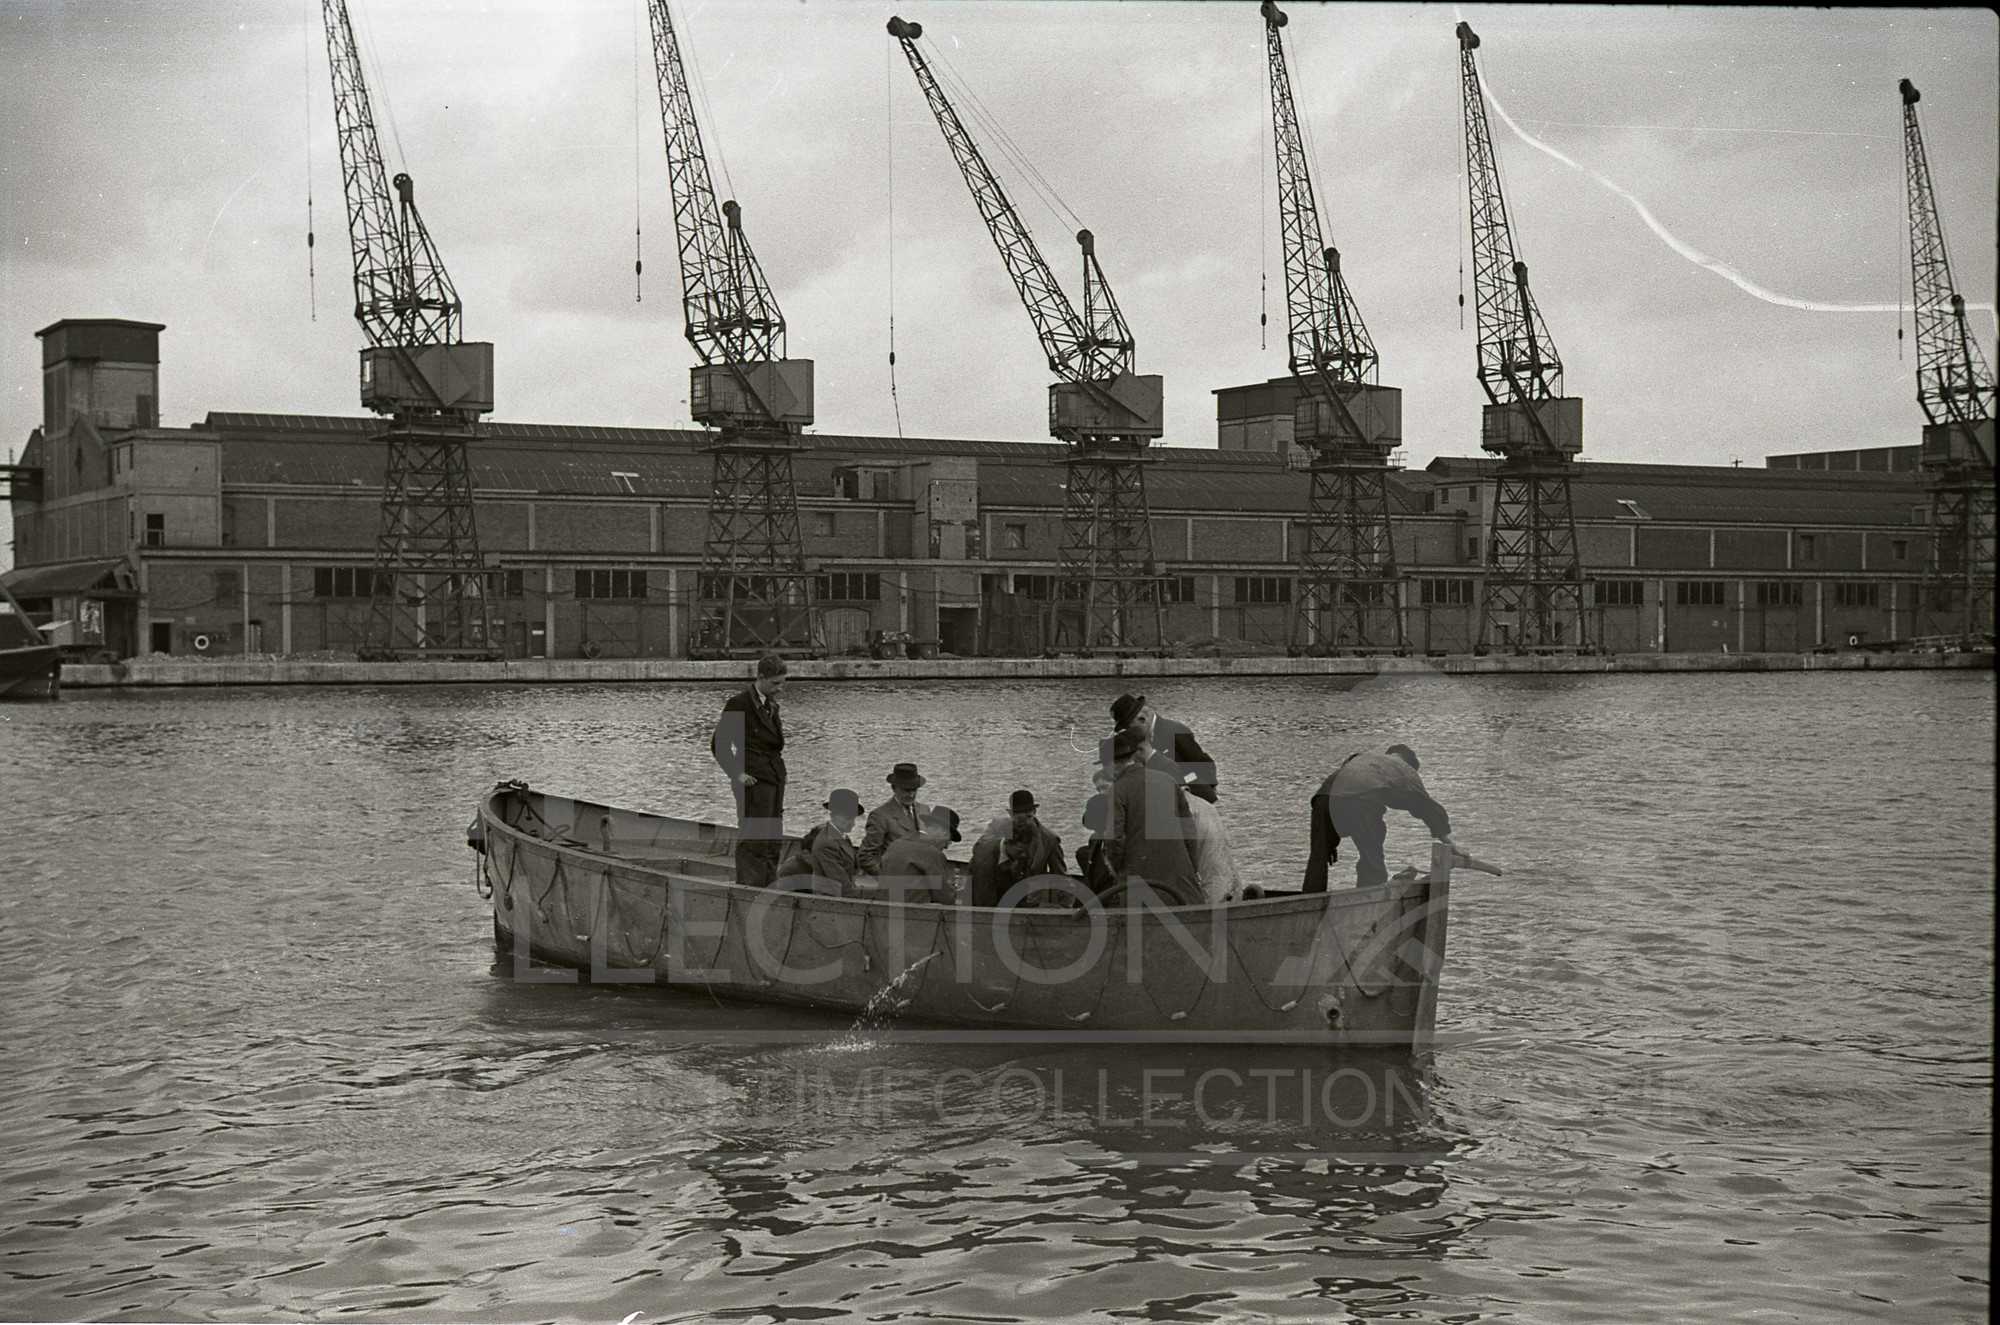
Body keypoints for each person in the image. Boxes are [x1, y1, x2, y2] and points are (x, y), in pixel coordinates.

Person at [1304, 743, 1452, 891]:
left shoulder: (1362, 757)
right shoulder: (1404, 768)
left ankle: (1310, 897)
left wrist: (1329, 841)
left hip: (1322, 798)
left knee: (1318, 856)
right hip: (1360, 800)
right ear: (1410, 763)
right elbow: (1425, 805)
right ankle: (1370, 895)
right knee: (1372, 856)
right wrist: (1446, 839)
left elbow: (1342, 788)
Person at [711, 653, 789, 888]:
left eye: (782, 683)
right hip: (753, 781)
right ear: (761, 677)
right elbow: (720, 744)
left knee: (772, 838)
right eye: (775, 683)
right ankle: (749, 890)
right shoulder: (740, 704)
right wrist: (737, 774)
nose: (780, 689)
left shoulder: (770, 704)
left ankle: (769, 888)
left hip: (773, 778)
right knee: (754, 840)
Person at [1103, 723, 1200, 897]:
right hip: (1183, 886)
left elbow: (1114, 840)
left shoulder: (1118, 790)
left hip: (1141, 888)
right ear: (1134, 756)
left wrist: (1117, 872)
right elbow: (1190, 832)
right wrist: (1191, 869)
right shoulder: (1168, 780)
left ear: (1112, 763)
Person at [1111, 692, 1218, 804]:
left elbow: (1205, 765)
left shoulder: (1175, 731)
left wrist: (1205, 796)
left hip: (1194, 799)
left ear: (1142, 719)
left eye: (1128, 726)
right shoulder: (1141, 738)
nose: (1128, 731)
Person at [971, 789, 1069, 906]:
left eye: (1028, 815)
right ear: (1011, 814)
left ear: (1034, 812)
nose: (1023, 821)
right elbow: (979, 848)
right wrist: (1004, 848)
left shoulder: (1049, 839)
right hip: (994, 894)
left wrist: (1065, 907)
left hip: (1028, 900)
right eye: (1017, 816)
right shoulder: (998, 827)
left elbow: (1060, 876)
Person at [775, 788, 862, 895]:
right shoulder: (826, 843)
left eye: (852, 817)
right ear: (833, 815)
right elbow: (841, 885)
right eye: (846, 817)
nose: (852, 823)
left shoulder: (843, 839)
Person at [876, 806, 962, 904]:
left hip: (881, 908)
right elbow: (946, 898)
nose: (947, 846)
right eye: (949, 840)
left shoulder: (896, 844)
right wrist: (952, 890)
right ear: (943, 832)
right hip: (913, 911)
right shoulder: (932, 853)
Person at [859, 763, 932, 873]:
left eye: (914, 790)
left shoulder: (924, 810)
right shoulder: (880, 816)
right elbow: (865, 856)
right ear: (894, 788)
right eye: (906, 790)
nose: (911, 795)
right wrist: (888, 878)